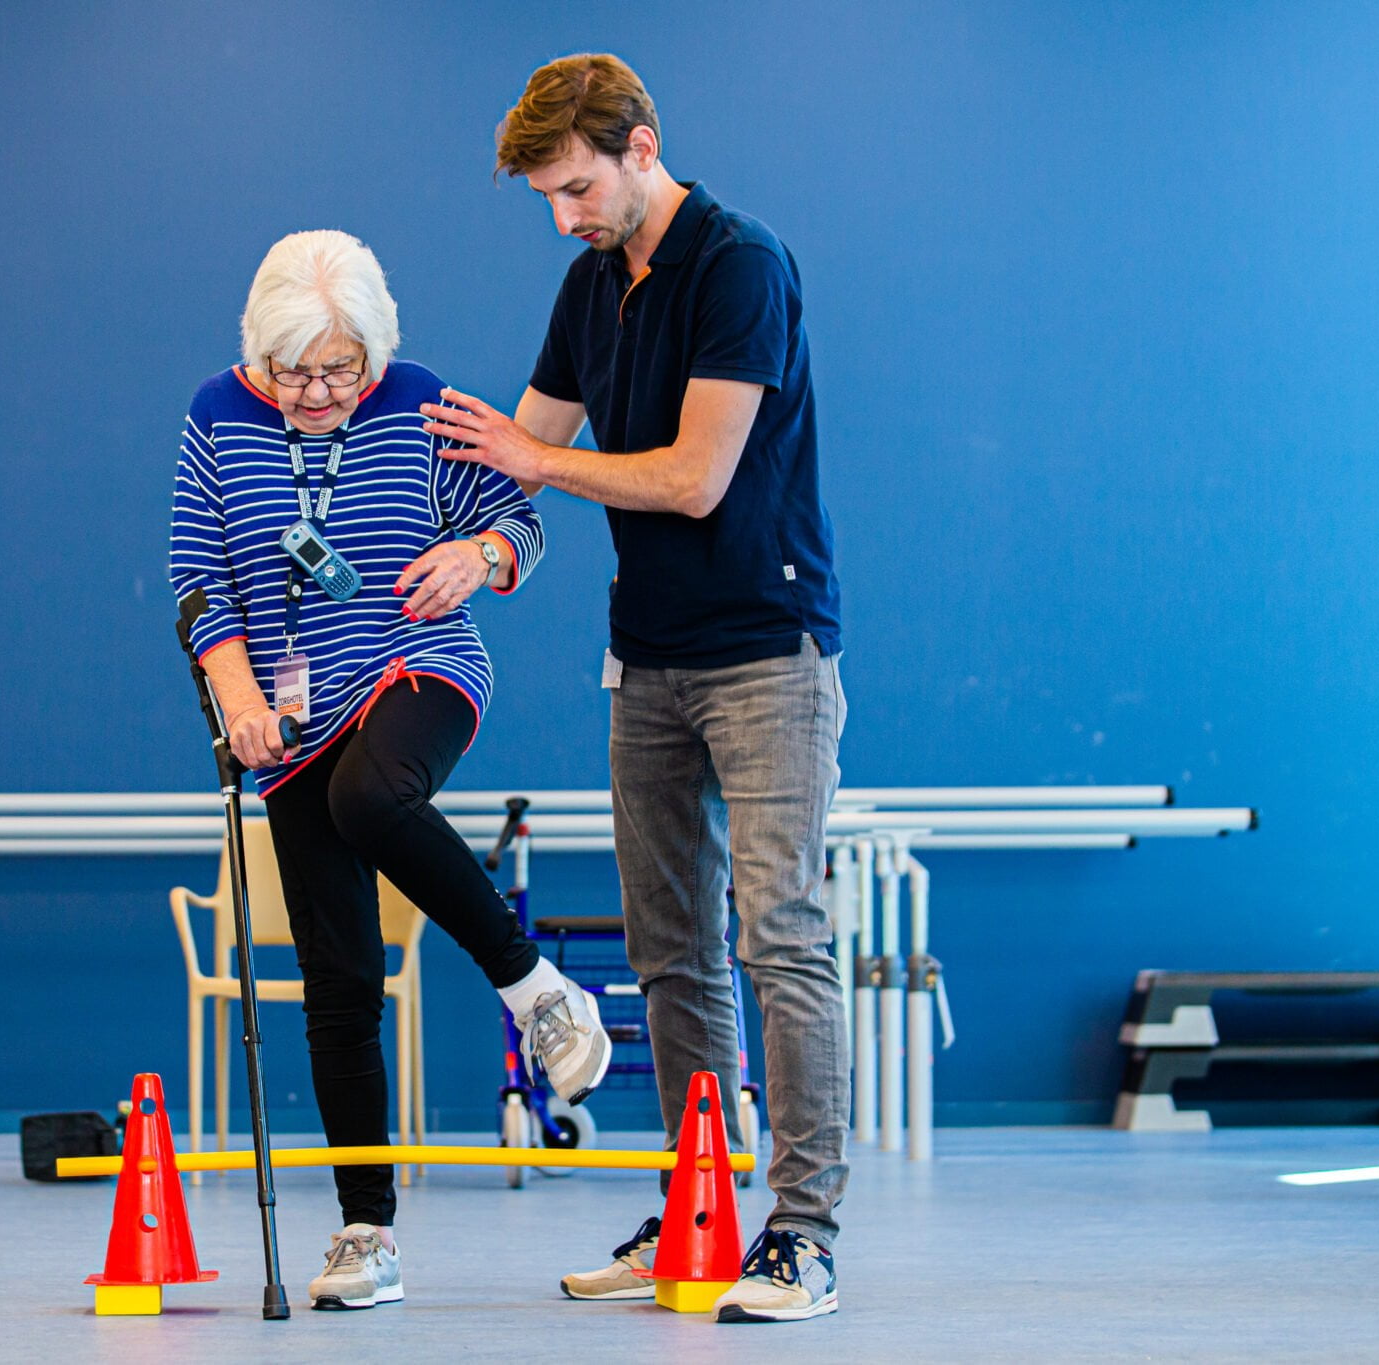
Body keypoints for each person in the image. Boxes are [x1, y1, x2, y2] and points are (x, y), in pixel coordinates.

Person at [422, 54, 849, 1323]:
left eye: (573, 188)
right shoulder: (586, 282)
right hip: (645, 659)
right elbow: (515, 453)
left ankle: (803, 1234)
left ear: (639, 147)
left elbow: (694, 477)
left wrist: (532, 471)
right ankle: (698, 1208)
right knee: (671, 955)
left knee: (776, 935)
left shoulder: (740, 266)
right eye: (547, 199)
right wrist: (478, 543)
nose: (563, 216)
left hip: (768, 651)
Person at [169, 229, 612, 1312]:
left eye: (340, 370)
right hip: (285, 714)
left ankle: (533, 987)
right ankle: (366, 1230)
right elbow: (197, 580)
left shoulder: (418, 405)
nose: (318, 393)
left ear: (375, 353)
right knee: (338, 976)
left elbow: (518, 514)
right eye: (294, 372)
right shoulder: (215, 419)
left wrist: (483, 557)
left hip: (419, 666)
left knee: (374, 796)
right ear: (256, 354)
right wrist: (234, 700)